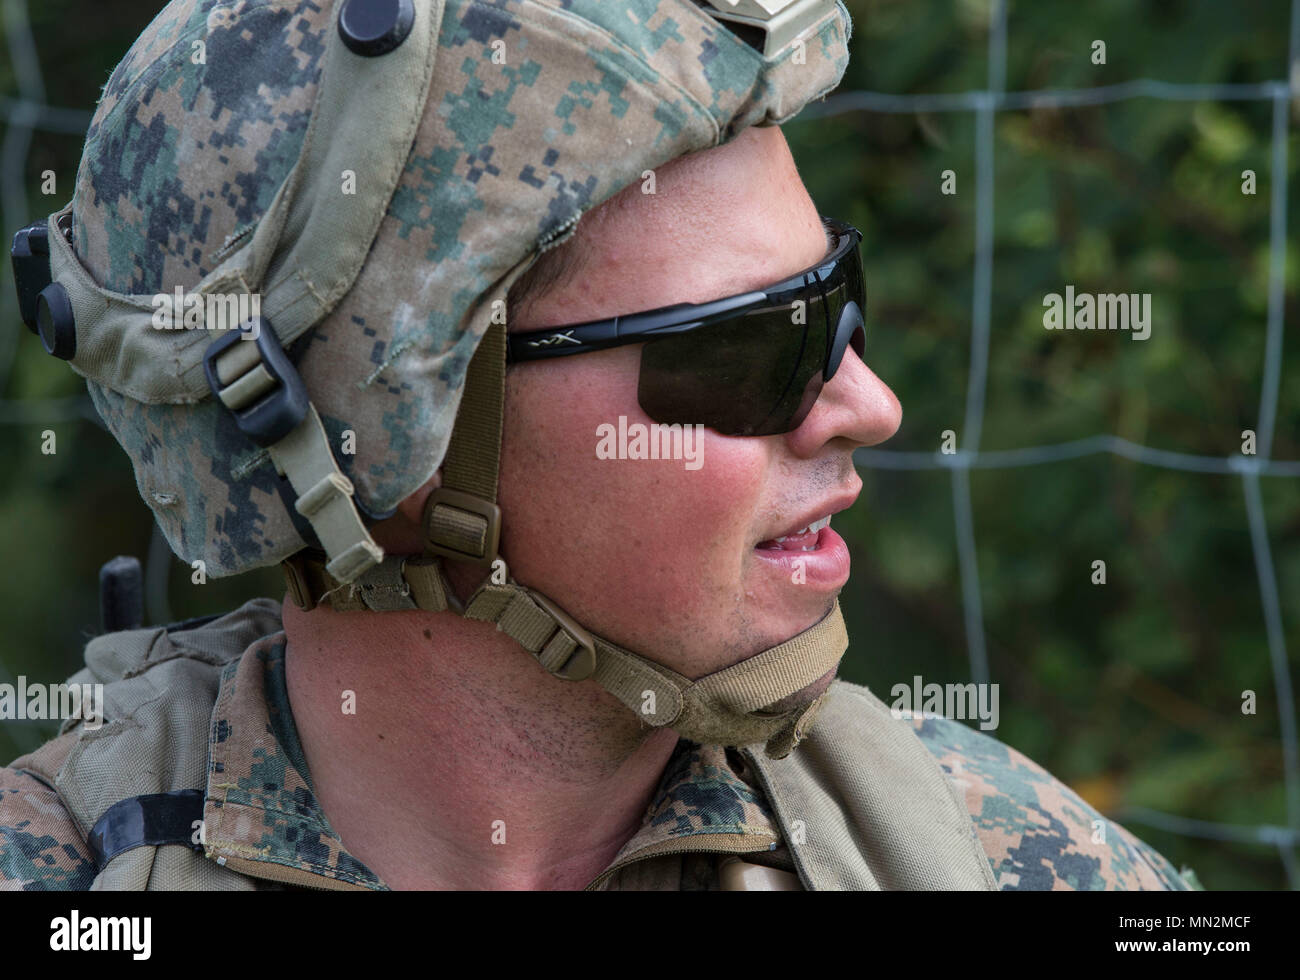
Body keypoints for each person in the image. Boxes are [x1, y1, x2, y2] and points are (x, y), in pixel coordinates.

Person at [1, 0, 1199, 891]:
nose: (864, 404)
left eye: (838, 297)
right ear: (389, 452)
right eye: (748, 349)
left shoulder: (995, 856)